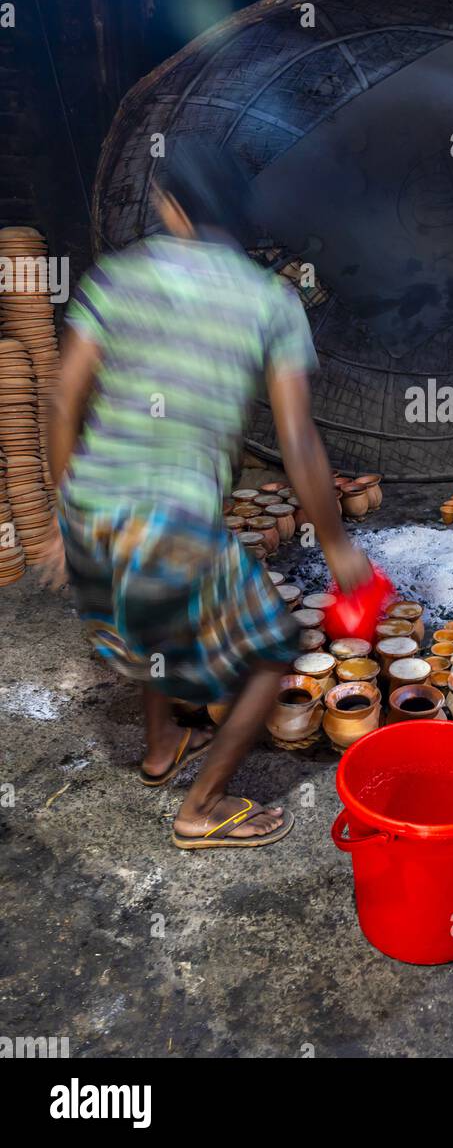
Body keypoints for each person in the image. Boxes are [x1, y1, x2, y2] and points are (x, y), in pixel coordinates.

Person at [42, 140, 371, 850]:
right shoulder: (268, 301)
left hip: (96, 514)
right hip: (170, 524)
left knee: (160, 625)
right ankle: (202, 808)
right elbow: (298, 441)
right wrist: (336, 543)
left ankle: (162, 749)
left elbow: (63, 399)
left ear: (171, 206)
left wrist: (64, 516)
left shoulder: (118, 277)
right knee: (272, 651)